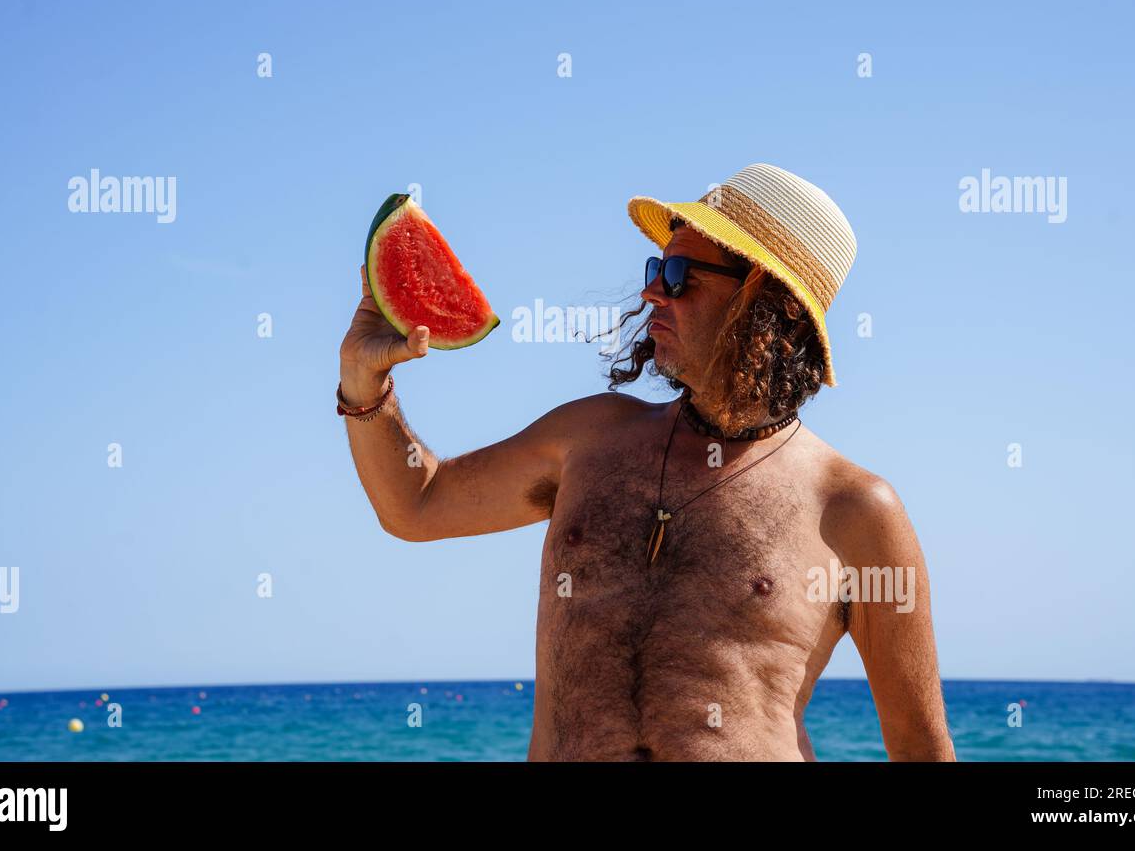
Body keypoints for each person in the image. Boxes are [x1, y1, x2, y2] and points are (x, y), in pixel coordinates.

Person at [338, 163, 956, 761]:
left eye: (682, 273)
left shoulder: (855, 510)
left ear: (773, 304)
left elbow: (920, 749)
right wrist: (365, 384)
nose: (652, 289)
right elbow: (416, 505)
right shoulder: (588, 438)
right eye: (657, 265)